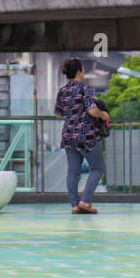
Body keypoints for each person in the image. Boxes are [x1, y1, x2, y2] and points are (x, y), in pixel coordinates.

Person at [55, 57, 110, 214]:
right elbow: (92, 111)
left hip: (68, 135)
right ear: (79, 71)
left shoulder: (63, 91)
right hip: (87, 135)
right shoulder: (85, 90)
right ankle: (85, 201)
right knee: (98, 168)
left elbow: (58, 114)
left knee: (73, 172)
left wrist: (72, 114)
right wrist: (104, 115)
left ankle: (74, 205)